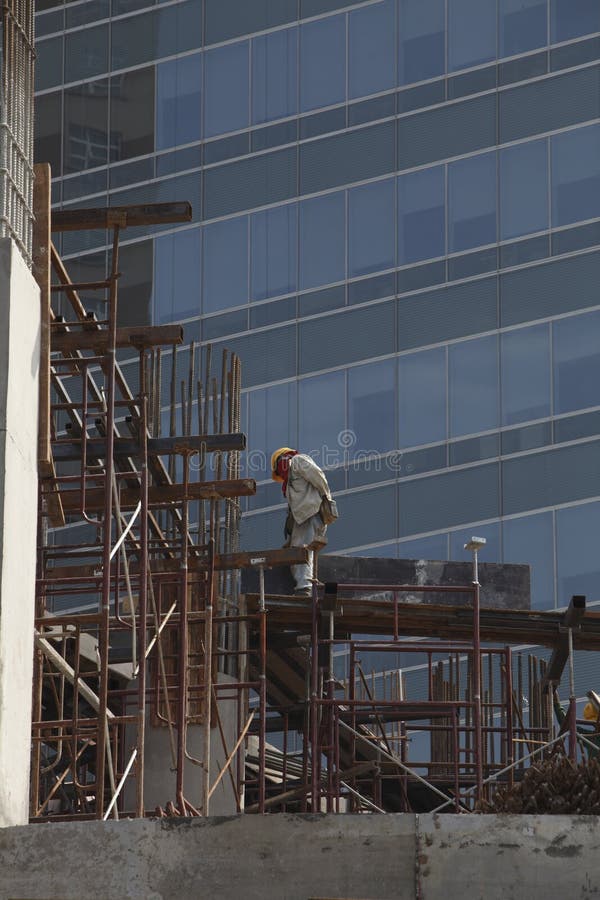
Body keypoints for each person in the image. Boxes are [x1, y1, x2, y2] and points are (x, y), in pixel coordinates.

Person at [271, 447, 332, 596]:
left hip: (309, 514)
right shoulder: (291, 480)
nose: (281, 475)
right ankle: (308, 584)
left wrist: (327, 499)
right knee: (303, 550)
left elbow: (318, 476)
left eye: (279, 471)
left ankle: (304, 587)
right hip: (305, 516)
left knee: (301, 550)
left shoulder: (297, 460)